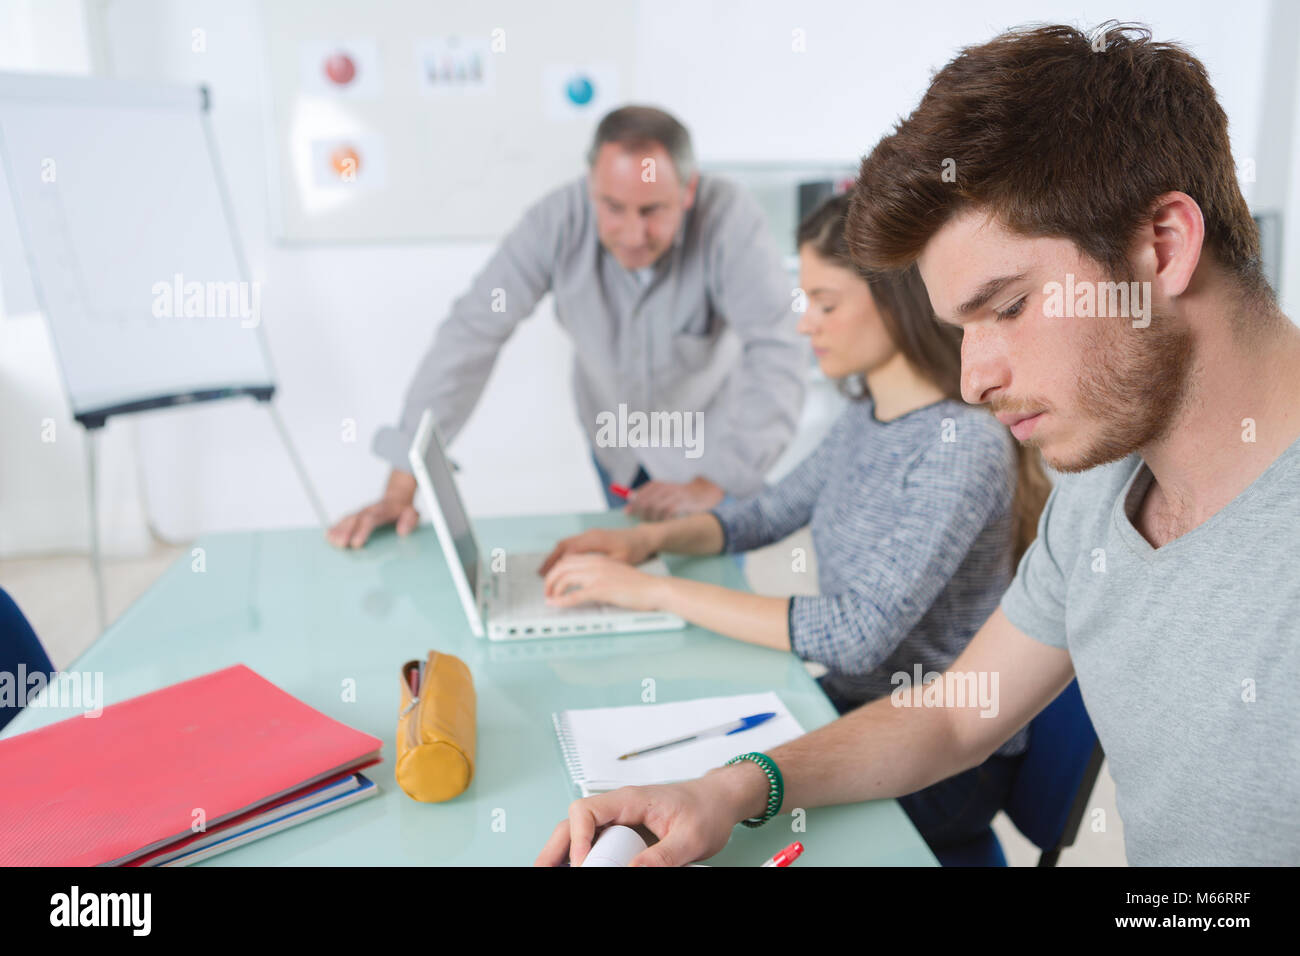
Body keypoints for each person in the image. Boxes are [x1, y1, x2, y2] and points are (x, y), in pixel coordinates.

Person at [535, 22, 1300, 867]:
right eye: (961, 328)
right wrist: (729, 787)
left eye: (1007, 307)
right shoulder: (1103, 489)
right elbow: (955, 714)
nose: (972, 381)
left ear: (1162, 247)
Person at [537, 194, 1049, 858]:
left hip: (942, 767)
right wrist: (643, 542)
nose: (807, 324)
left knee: (696, 818)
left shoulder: (963, 446)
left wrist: (657, 591)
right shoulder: (866, 416)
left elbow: (856, 634)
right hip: (846, 708)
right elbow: (766, 514)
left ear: (899, 298)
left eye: (826, 302)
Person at [326, 106, 805, 548]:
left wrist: (717, 482)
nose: (634, 235)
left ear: (689, 190)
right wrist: (403, 482)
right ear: (590, 184)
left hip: (712, 457)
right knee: (633, 579)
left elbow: (777, 350)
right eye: (614, 207)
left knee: (715, 589)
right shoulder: (555, 221)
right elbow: (471, 333)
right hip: (616, 451)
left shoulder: (730, 220)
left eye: (653, 210)